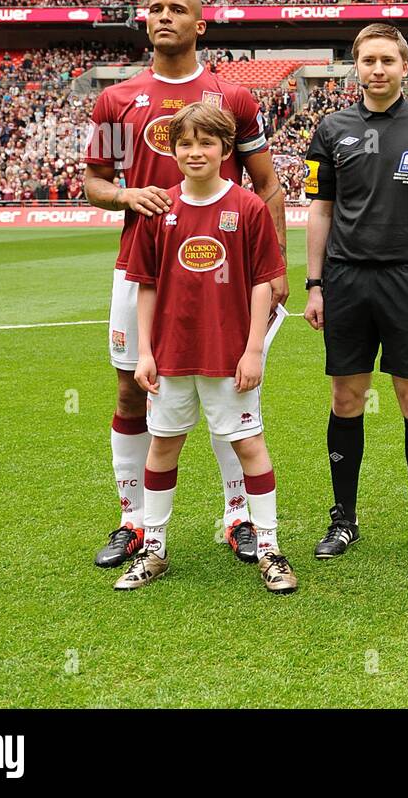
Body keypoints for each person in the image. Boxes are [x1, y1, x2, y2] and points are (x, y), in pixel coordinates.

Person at [83, 0, 288, 571]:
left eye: (178, 9)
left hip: (225, 269)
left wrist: (274, 268)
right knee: (130, 388)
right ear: (145, 22)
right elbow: (94, 181)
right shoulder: (117, 100)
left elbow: (266, 183)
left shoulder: (231, 97)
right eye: (156, 8)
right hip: (143, 269)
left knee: (232, 390)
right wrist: (126, 194)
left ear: (202, 24)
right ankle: (132, 521)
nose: (164, 16)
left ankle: (239, 517)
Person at [117, 101, 295, 593]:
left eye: (207, 143)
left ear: (226, 149)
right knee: (163, 446)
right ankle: (154, 549)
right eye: (186, 144)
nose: (196, 152)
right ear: (173, 150)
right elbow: (146, 285)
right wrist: (146, 352)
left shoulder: (248, 207)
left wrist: (254, 347)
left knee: (249, 445)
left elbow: (264, 282)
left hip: (228, 354)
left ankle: (270, 549)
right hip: (171, 355)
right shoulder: (159, 209)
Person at [303, 23, 408, 562]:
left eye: (387, 61)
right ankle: (343, 519)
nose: (377, 69)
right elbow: (320, 210)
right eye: (368, 60)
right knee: (346, 399)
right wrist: (315, 283)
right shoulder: (331, 128)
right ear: (357, 66)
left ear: (404, 67)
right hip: (346, 280)